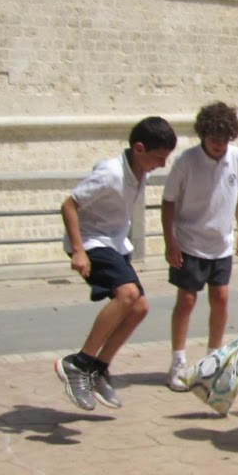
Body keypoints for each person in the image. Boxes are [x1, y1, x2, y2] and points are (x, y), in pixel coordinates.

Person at [56, 116, 176, 411]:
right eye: (159, 158)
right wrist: (79, 251)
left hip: (114, 242)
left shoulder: (138, 170)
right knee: (128, 295)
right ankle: (79, 363)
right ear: (139, 148)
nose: (161, 165)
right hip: (92, 242)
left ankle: (99, 367)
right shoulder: (111, 173)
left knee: (140, 307)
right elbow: (69, 205)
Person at [162, 102, 238, 392]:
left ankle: (213, 358)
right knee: (186, 301)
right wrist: (169, 241)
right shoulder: (186, 161)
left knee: (221, 298)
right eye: (214, 140)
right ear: (203, 136)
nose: (219, 146)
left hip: (221, 243)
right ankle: (178, 360)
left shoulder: (237, 158)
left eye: (224, 140)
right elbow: (168, 200)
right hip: (189, 241)